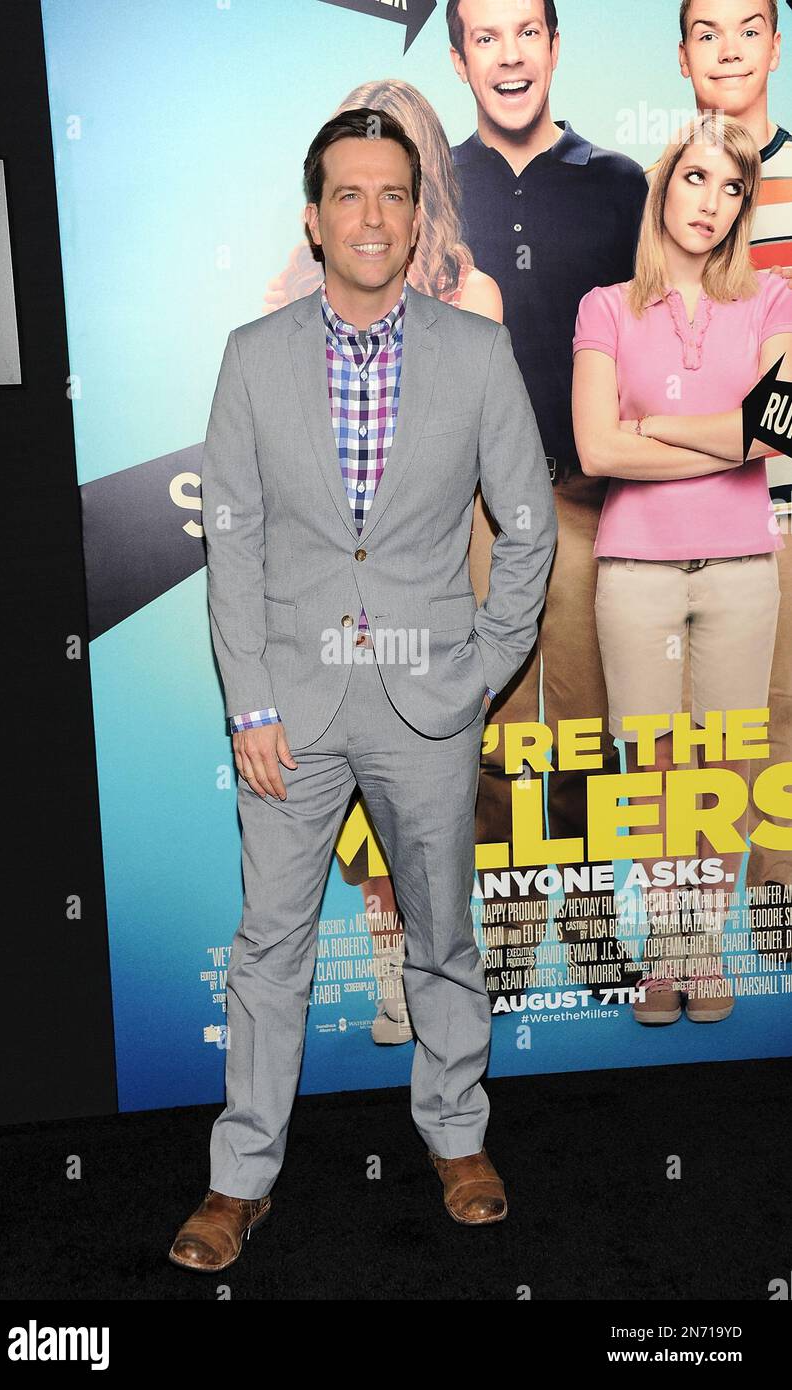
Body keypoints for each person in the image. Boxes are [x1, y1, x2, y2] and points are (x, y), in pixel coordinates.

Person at [169, 107, 557, 1271]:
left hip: (429, 702)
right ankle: (240, 1179)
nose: (374, 216)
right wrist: (249, 705)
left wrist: (481, 673)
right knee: (268, 946)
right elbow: (231, 544)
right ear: (314, 214)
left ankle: (455, 1137)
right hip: (290, 709)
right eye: (350, 195)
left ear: (418, 211)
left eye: (394, 194)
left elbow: (528, 529)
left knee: (441, 936)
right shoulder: (253, 354)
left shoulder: (477, 353)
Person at [260, 77, 504, 1048]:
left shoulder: (473, 291)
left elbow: (489, 458)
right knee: (356, 797)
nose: (372, 203)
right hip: (328, 587)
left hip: (443, 577)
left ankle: (449, 974)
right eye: (352, 178)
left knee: (439, 797)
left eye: (394, 168)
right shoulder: (288, 293)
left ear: (424, 176)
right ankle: (391, 968)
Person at [446, 0, 650, 996]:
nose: (510, 53)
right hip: (468, 510)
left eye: (527, 30)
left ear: (555, 47)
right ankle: (513, 933)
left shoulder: (618, 184)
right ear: (458, 58)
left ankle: (590, 922)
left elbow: (653, 333)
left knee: (580, 728)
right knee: (490, 732)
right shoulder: (430, 181)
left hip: (578, 499)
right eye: (486, 35)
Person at [572, 113, 792, 1026]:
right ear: (665, 187)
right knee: (658, 769)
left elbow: (777, 428)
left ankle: (709, 945)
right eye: (696, 179)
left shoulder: (772, 298)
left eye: (732, 187)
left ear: (744, 206)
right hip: (637, 571)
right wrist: (726, 438)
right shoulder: (605, 306)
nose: (711, 202)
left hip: (744, 566)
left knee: (730, 769)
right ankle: (675, 952)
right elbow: (594, 447)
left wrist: (653, 431)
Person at [675, 0, 792, 948]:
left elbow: (780, 410)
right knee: (691, 737)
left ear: (777, 46)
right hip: (672, 522)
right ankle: (697, 931)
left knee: (784, 715)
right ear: (681, 55)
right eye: (707, 31)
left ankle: (777, 907)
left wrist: (656, 433)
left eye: (748, 28)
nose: (728, 49)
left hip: (783, 509)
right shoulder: (663, 187)